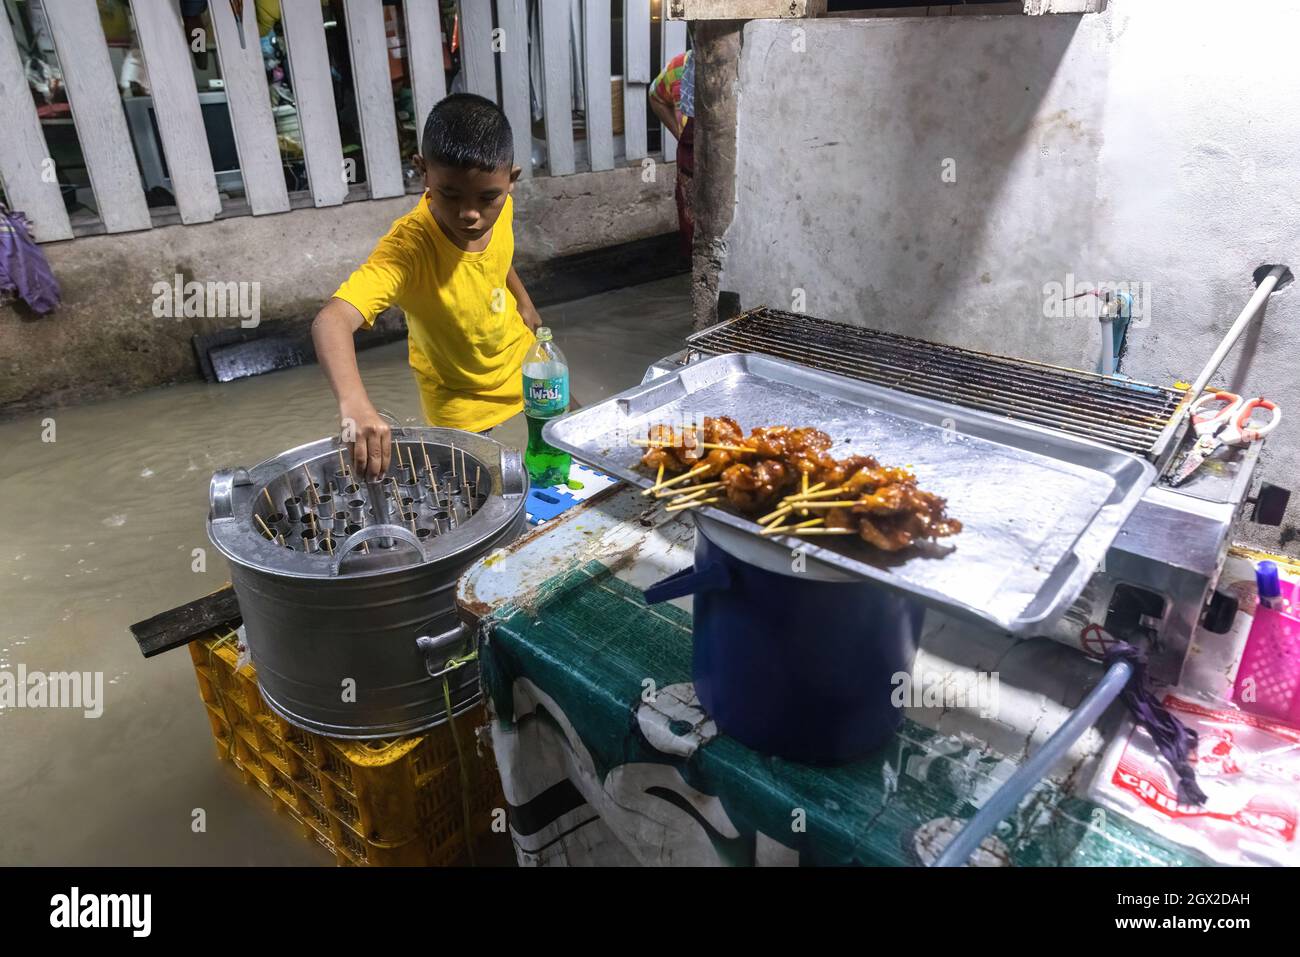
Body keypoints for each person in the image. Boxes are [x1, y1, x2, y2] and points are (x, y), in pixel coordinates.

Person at [312, 93, 542, 480]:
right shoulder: (408, 250)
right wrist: (355, 404)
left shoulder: (499, 206)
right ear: (423, 172)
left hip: (517, 356)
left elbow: (496, 259)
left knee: (567, 437)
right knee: (473, 488)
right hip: (458, 394)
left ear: (511, 181)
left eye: (487, 198)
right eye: (450, 194)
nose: (470, 215)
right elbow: (330, 322)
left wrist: (525, 301)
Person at [648, 48, 695, 259]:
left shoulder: (743, 63)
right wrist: (679, 134)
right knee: (695, 235)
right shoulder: (680, 66)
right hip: (691, 167)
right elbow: (655, 95)